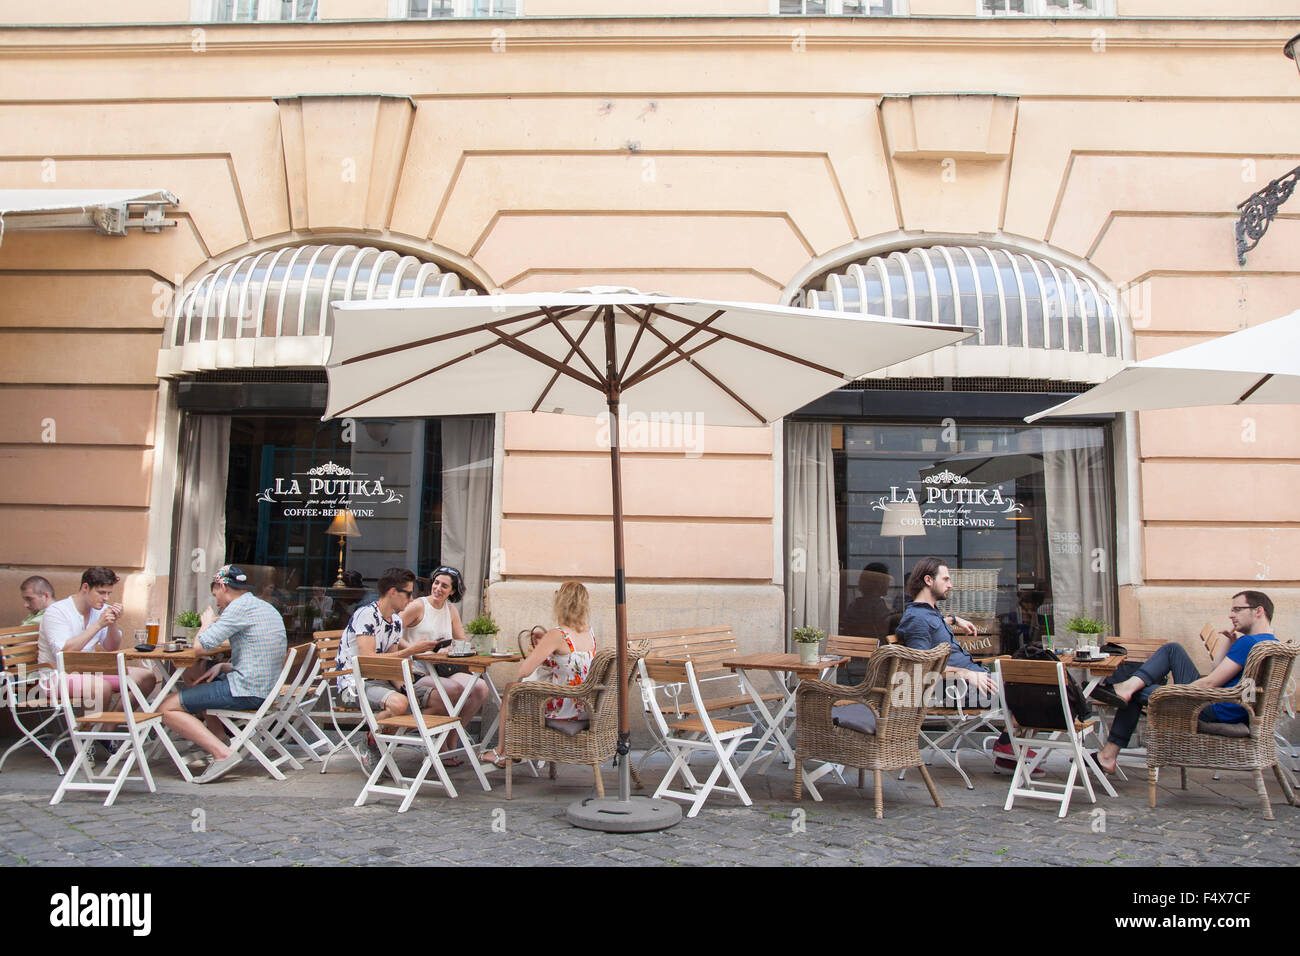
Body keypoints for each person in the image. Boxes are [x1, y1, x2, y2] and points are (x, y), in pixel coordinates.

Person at [1091, 589, 1279, 775]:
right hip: (1230, 708)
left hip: (1212, 708)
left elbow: (1210, 683)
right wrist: (1229, 643)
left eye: (1237, 609)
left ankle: (1108, 753)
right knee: (1172, 650)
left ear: (1258, 611)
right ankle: (1126, 689)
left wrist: (1178, 694)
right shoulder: (1269, 642)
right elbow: (1216, 671)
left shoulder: (1249, 643)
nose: (1231, 615)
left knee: (1138, 692)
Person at [158, 565, 287, 784]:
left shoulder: (237, 608)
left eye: (215, 593)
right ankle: (219, 739)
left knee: (166, 707)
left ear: (223, 586)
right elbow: (258, 651)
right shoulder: (262, 606)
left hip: (247, 690)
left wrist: (206, 623)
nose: (216, 600)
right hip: (265, 687)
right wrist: (224, 667)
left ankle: (222, 753)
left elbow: (199, 647)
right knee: (198, 674)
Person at [480, 581, 596, 769]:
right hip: (583, 705)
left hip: (562, 708)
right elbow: (571, 665)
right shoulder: (589, 632)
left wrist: (538, 650)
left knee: (512, 690)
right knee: (520, 691)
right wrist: (547, 651)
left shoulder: (557, 634)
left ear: (561, 604)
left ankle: (502, 751)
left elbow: (523, 670)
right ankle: (516, 748)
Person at [335, 567, 441, 770]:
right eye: (408, 593)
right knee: (401, 704)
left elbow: (391, 662)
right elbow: (367, 659)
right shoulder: (366, 615)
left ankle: (381, 740)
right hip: (355, 681)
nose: (411, 600)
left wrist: (404, 686)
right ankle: (371, 741)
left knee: (437, 699)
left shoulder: (396, 621)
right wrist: (410, 651)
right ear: (393, 592)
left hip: (382, 679)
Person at [399, 566, 488, 761]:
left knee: (480, 687)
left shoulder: (450, 609)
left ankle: (452, 738)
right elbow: (392, 632)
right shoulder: (418, 606)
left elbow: (461, 640)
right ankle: (440, 746)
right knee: (454, 689)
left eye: (444, 586)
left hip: (442, 669)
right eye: (436, 583)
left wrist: (452, 648)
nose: (438, 588)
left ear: (452, 591)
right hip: (418, 671)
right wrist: (413, 649)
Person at [36, 567, 156, 709]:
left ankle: (107, 727)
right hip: (56, 676)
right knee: (102, 687)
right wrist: (99, 624)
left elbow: (111, 647)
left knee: (147, 677)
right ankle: (93, 728)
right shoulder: (57, 612)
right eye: (101, 592)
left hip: (90, 671)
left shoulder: (99, 609)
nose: (106, 598)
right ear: (85, 587)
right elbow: (63, 652)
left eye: (109, 593)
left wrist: (113, 623)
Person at [895, 558, 995, 697]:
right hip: (956, 690)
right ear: (929, 580)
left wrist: (954, 620)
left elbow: (932, 627)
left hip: (971, 681)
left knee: (1021, 683)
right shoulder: (917, 619)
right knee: (1022, 689)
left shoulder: (927, 613)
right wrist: (966, 674)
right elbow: (921, 668)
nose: (950, 585)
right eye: (945, 579)